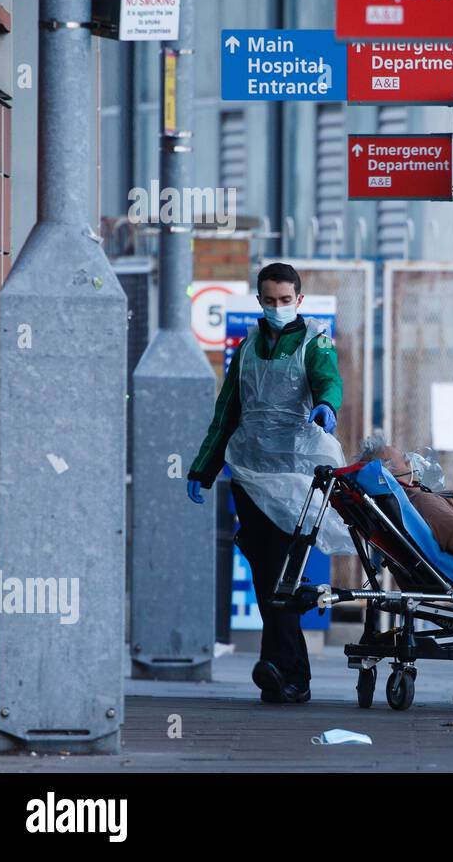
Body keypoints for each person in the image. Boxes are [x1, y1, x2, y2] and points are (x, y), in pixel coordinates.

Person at [187, 262, 345, 705]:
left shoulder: (315, 341)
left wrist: (327, 407)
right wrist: (204, 467)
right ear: (260, 300)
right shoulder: (247, 348)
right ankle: (285, 673)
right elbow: (227, 413)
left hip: (296, 477)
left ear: (299, 299)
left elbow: (328, 380)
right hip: (251, 475)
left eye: (285, 300)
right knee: (266, 573)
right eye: (270, 300)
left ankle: (284, 669)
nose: (278, 307)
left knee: (280, 572)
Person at [356, 434, 453, 558]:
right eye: (405, 460)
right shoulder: (423, 502)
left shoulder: (417, 502)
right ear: (389, 477)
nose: (412, 460)